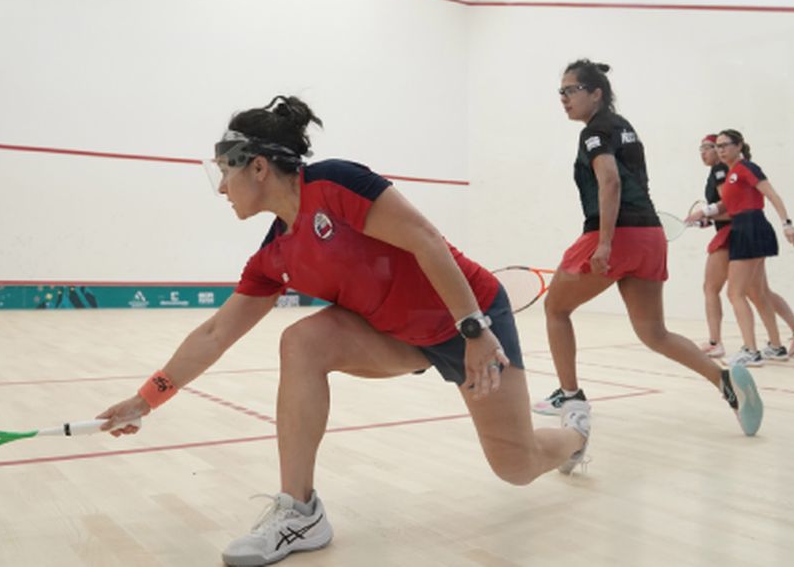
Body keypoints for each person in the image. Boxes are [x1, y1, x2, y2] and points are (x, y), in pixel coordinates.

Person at [95, 96, 589, 567]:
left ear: (259, 166)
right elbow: (215, 333)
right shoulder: (273, 256)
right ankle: (300, 511)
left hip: (472, 318)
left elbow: (425, 239)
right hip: (400, 338)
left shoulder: (335, 184)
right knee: (301, 341)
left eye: (225, 171)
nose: (222, 187)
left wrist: (476, 331)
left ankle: (574, 434)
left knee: (516, 467)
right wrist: (147, 399)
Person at [531, 60, 763, 443]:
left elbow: (609, 182)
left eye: (571, 90)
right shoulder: (624, 127)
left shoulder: (594, 131)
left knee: (556, 309)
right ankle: (722, 380)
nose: (563, 98)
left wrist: (605, 242)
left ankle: (570, 398)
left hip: (616, 235)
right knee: (654, 332)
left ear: (595, 93)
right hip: (650, 237)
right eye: (561, 91)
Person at [695, 135, 794, 363]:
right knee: (758, 293)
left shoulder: (746, 168)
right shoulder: (731, 174)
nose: (719, 150)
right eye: (716, 146)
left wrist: (787, 224)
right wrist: (704, 215)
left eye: (723, 146)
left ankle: (750, 351)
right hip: (744, 229)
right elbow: (728, 206)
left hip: (750, 229)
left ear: (738, 146)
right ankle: (777, 347)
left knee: (735, 293)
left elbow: (772, 195)